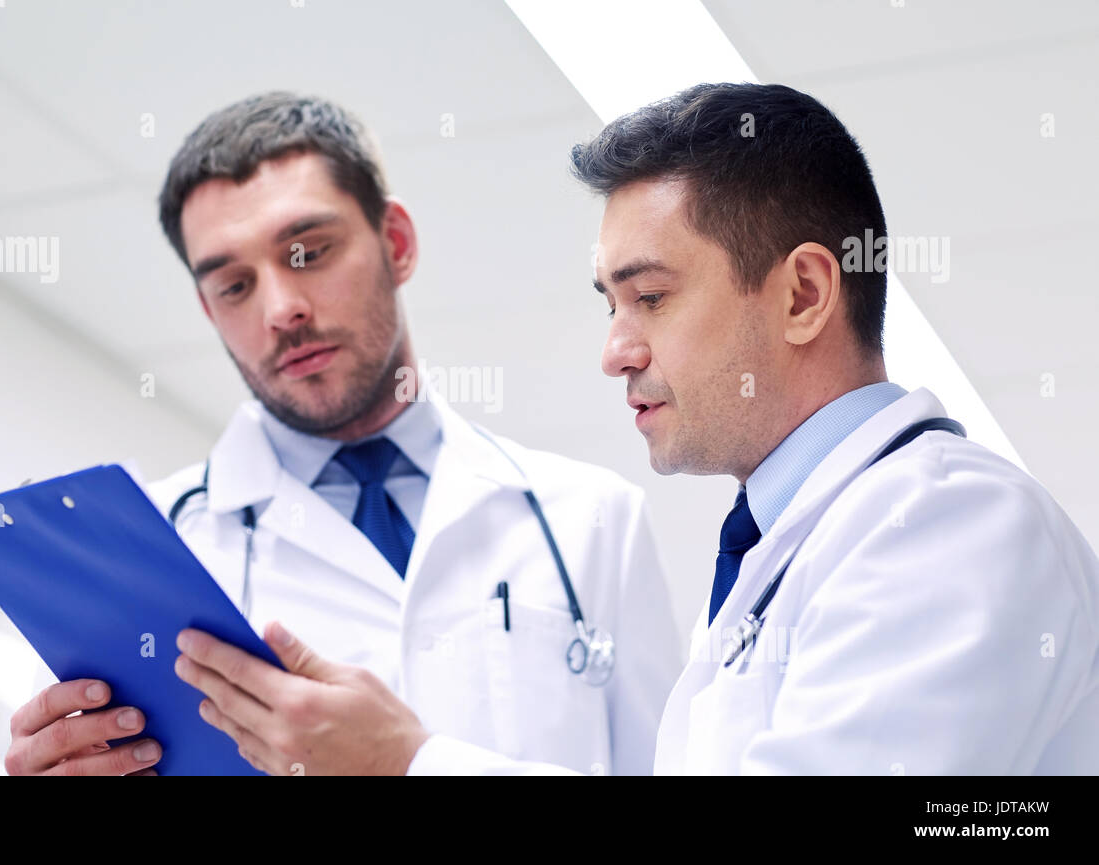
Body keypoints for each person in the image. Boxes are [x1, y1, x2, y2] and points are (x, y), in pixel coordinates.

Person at [175, 83, 1099, 775]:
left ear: (806, 293)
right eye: (610, 303)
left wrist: (413, 762)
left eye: (650, 297)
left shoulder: (947, 524)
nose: (615, 351)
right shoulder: (780, 555)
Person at [2, 92, 681, 777]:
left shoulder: (591, 521)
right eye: (235, 286)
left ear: (396, 243)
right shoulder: (142, 558)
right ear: (208, 310)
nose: (280, 309)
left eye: (307, 254)